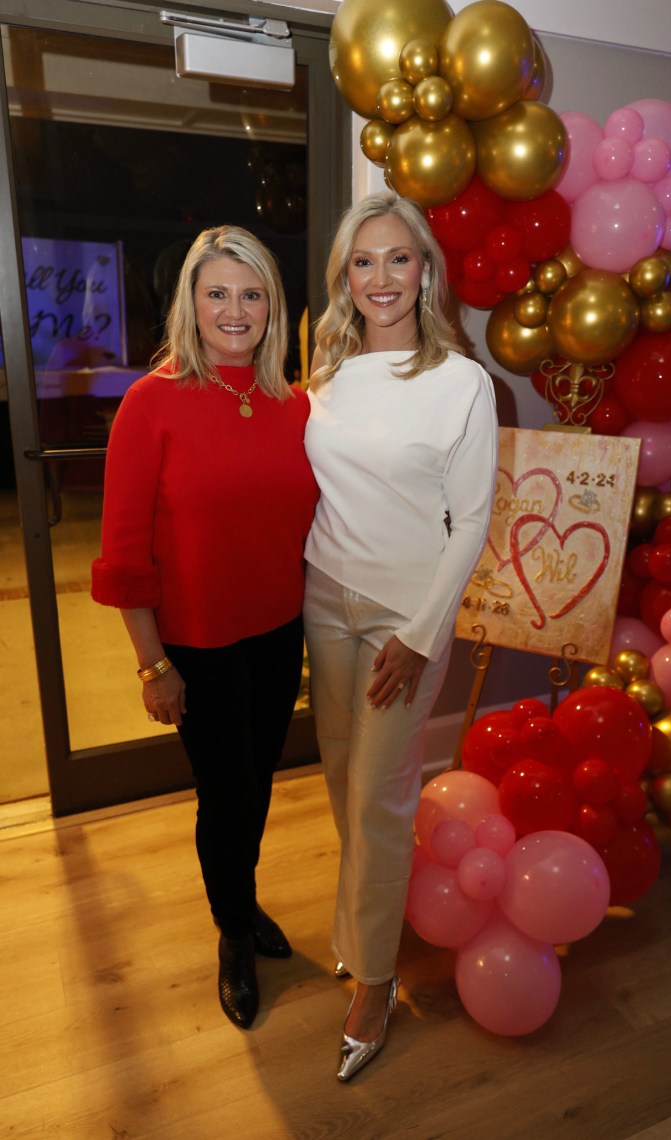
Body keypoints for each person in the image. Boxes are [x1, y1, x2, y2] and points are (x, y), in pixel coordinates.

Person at [91, 225, 319, 1030]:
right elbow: (122, 553)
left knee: (256, 782)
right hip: (196, 642)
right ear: (189, 300)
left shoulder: (294, 405)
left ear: (272, 306)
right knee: (225, 793)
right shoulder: (151, 402)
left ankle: (243, 897)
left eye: (251, 294)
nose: (234, 309)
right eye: (216, 292)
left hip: (277, 632)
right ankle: (233, 931)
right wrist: (153, 665)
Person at [303, 192, 499, 1081]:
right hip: (324, 596)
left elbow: (472, 522)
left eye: (398, 259)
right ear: (345, 277)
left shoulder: (460, 381)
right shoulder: (328, 372)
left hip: (402, 622)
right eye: (363, 262)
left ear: (426, 271)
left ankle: (376, 980)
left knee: (381, 798)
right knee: (344, 782)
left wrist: (421, 636)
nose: (380, 278)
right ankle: (359, 933)